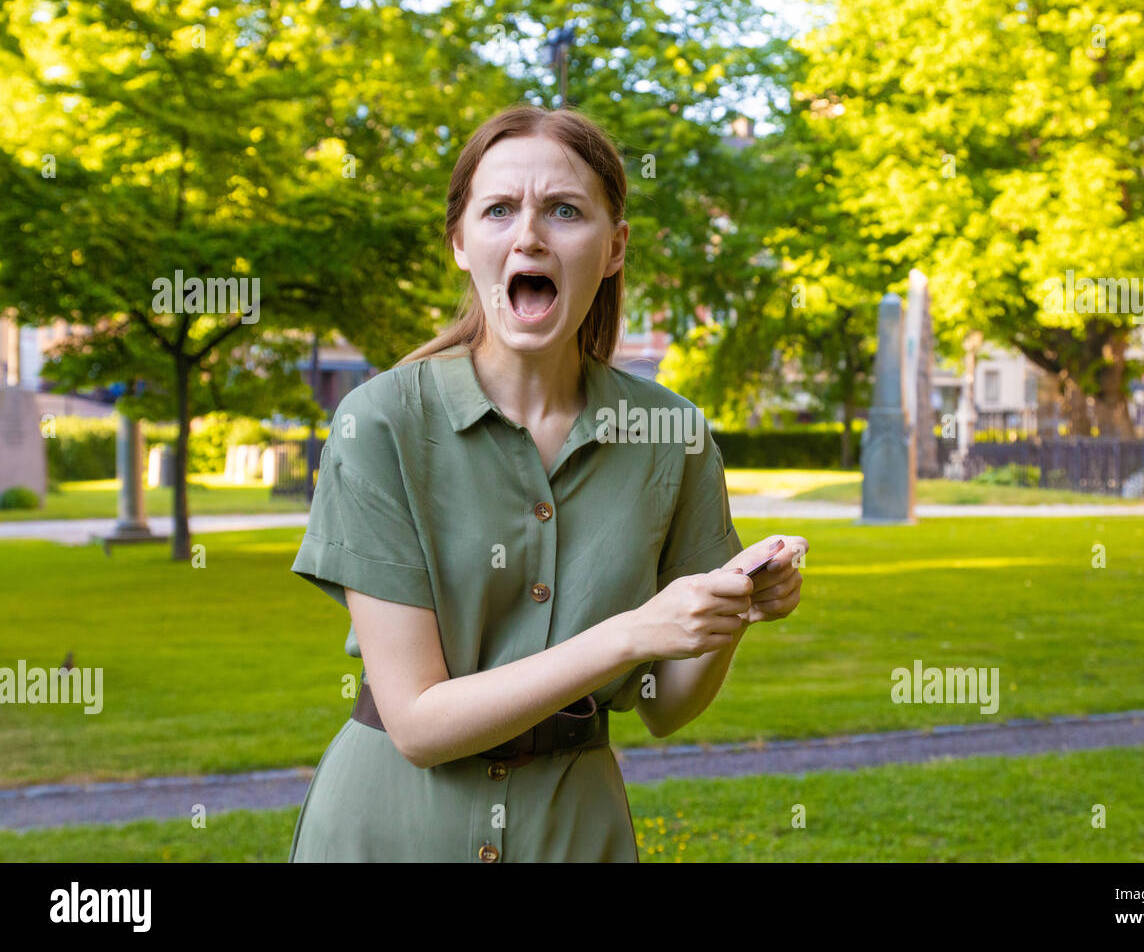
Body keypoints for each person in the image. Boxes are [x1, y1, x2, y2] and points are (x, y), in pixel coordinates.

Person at [287, 103, 808, 862]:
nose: (529, 234)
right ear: (462, 244)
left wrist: (729, 612)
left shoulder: (673, 435)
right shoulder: (383, 423)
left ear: (614, 247)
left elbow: (666, 706)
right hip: (388, 832)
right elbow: (420, 724)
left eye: (564, 211)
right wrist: (634, 631)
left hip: (574, 832)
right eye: (499, 209)